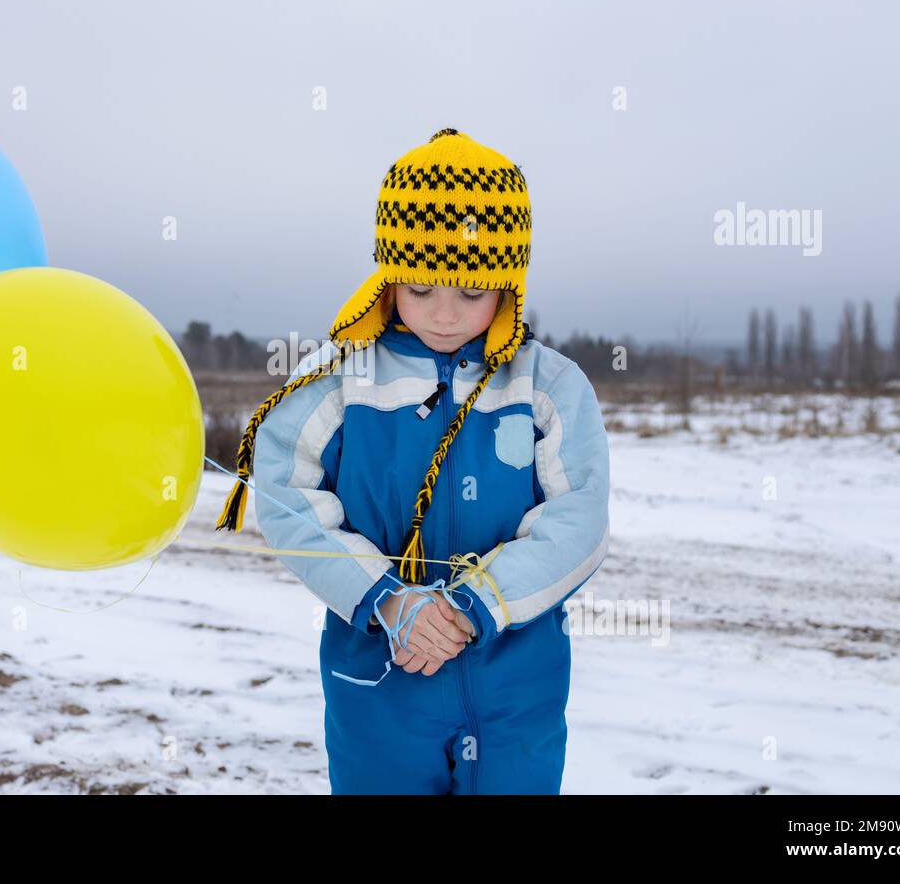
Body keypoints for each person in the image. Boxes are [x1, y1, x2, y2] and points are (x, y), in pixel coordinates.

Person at [215, 128, 610, 794]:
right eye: (421, 289)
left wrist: (474, 606)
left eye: (471, 290)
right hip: (380, 684)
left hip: (517, 683)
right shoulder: (337, 378)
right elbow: (288, 499)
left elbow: (578, 517)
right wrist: (389, 601)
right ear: (389, 273)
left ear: (508, 281)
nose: (446, 315)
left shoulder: (549, 384)